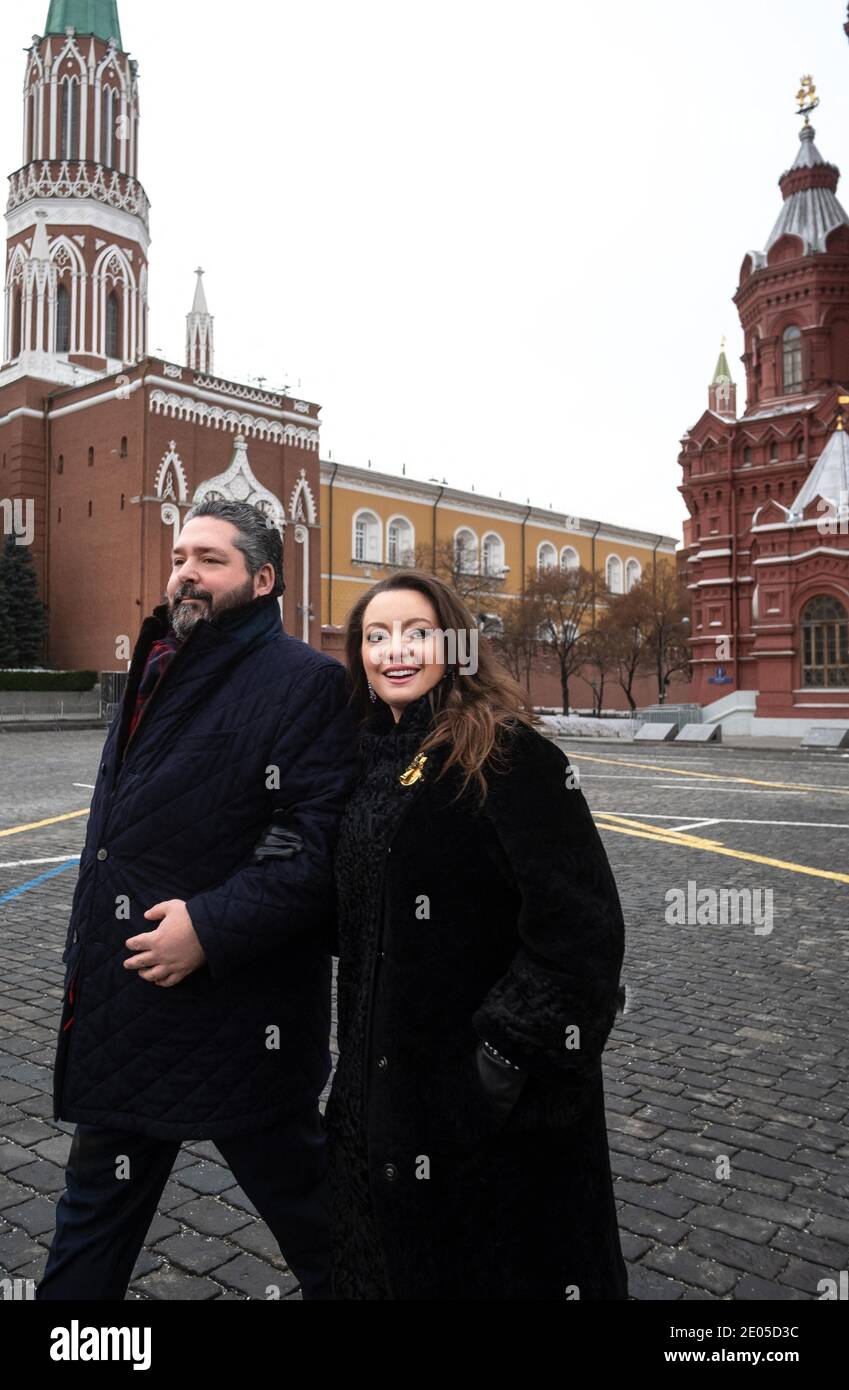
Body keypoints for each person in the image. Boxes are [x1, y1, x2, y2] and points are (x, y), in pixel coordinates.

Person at [36, 499, 358, 1301]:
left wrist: (210, 928)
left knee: (314, 1218)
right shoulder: (158, 663)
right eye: (180, 554)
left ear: (262, 577)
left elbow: (310, 843)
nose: (186, 570)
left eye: (210, 559)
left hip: (240, 1016)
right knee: (91, 1222)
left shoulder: (305, 681)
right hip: (129, 1006)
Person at [323, 570, 629, 1299]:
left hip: (484, 1120)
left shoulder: (510, 756)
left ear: (455, 644)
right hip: (378, 1103)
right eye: (374, 636)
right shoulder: (367, 761)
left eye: (415, 633)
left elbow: (581, 936)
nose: (392, 651)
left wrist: (496, 1069)